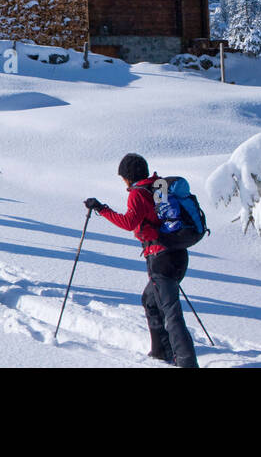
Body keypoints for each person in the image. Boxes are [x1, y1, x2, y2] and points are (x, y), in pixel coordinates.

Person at [85, 153, 198, 368]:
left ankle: (186, 362)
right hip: (178, 253)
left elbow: (129, 222)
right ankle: (160, 351)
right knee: (150, 300)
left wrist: (101, 209)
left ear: (128, 176)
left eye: (123, 178)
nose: (123, 183)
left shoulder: (138, 194)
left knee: (171, 312)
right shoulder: (159, 186)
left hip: (161, 258)